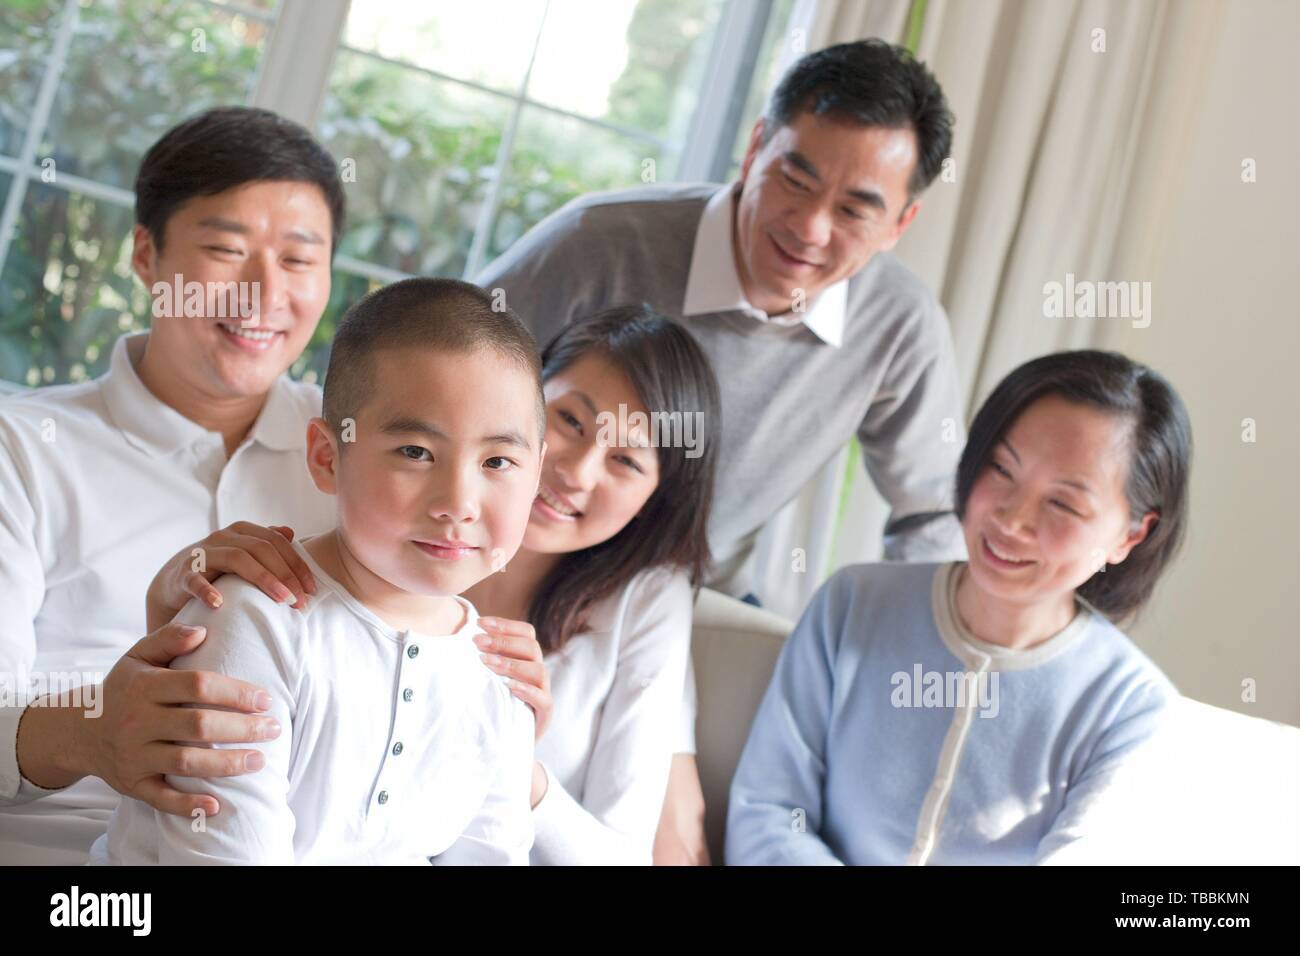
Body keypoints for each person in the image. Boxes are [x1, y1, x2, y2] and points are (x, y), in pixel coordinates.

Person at [478, 38, 966, 603]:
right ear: (756, 147)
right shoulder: (598, 241)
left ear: (899, 225)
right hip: (510, 555)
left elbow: (934, 515)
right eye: (796, 181)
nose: (810, 227)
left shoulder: (898, 324)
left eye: (853, 211)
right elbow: (439, 377)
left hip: (691, 595)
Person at [93, 278, 543, 864]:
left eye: (498, 461)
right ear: (328, 457)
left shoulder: (498, 672)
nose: (458, 501)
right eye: (415, 452)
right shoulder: (255, 621)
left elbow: (492, 853)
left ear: (537, 474)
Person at [726, 350, 1192, 865]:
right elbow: (767, 810)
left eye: (1062, 503)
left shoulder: (1131, 710)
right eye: (1000, 468)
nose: (1012, 521)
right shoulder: (851, 606)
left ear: (1130, 535)